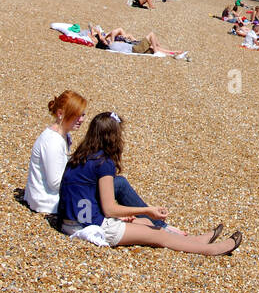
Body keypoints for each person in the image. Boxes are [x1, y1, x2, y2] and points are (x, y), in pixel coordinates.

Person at [59, 112, 240, 254]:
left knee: (144, 224)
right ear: (112, 137)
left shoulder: (80, 156)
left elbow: (85, 197)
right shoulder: (103, 162)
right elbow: (110, 209)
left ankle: (195, 241)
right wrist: (147, 210)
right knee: (158, 234)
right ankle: (211, 250)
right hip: (89, 226)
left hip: (71, 220)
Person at [23, 91, 169, 230]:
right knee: (118, 184)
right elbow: (55, 183)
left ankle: (152, 221)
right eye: (76, 115)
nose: (81, 120)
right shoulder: (52, 142)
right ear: (60, 113)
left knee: (113, 183)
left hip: (59, 196)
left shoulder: (62, 135)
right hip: (49, 202)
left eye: (83, 115)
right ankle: (160, 225)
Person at [90, 24, 169, 55]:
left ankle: (173, 53)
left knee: (153, 48)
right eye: (104, 41)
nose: (105, 40)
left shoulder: (111, 44)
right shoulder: (111, 44)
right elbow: (103, 38)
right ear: (104, 43)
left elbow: (102, 39)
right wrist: (99, 33)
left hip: (134, 48)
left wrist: (103, 36)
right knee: (151, 35)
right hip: (135, 48)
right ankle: (156, 54)